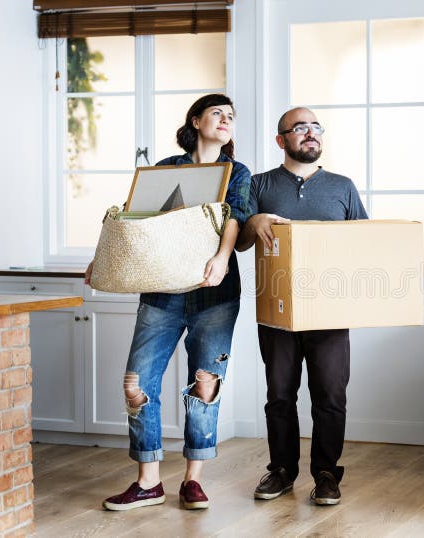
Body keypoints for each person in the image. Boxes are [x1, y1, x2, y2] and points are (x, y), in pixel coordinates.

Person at [87, 94, 251, 511]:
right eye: (217, 113)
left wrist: (221, 257)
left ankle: (193, 481)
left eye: (231, 116)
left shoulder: (238, 171)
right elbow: (135, 220)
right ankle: (148, 481)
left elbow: (236, 217)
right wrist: (99, 260)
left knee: (205, 385)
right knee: (137, 383)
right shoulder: (165, 169)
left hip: (214, 293)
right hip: (161, 293)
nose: (226, 120)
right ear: (196, 120)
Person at [236, 107, 368, 506]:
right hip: (277, 312)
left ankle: (327, 474)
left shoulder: (342, 187)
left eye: (316, 128)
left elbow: (364, 245)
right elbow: (239, 241)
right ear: (281, 140)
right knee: (280, 394)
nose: (310, 134)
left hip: (330, 310)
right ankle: (281, 471)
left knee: (330, 395)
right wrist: (254, 220)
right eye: (300, 128)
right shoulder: (258, 184)